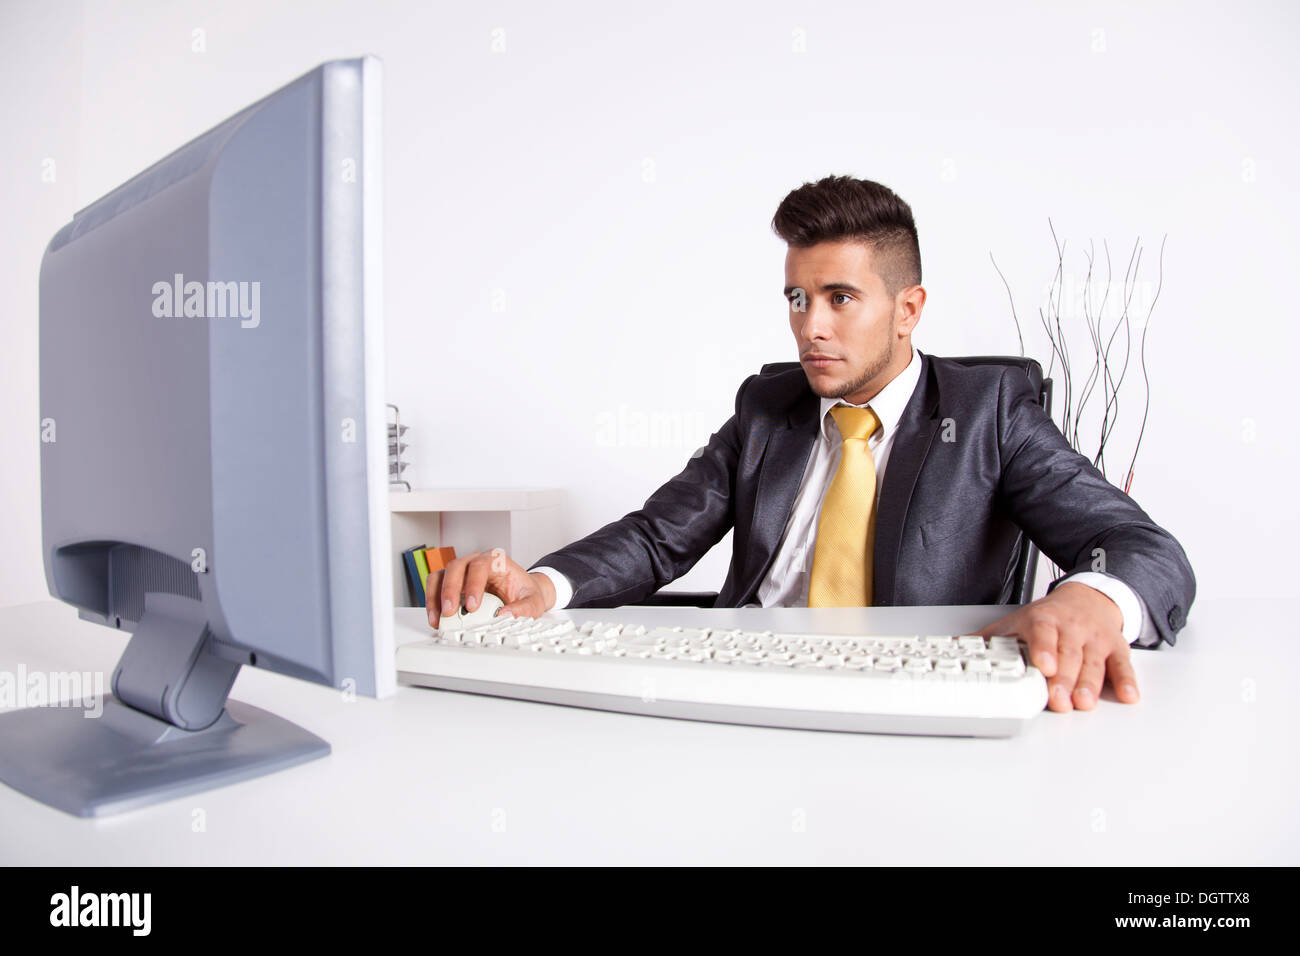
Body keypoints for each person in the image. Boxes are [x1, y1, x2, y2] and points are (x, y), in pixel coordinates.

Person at [427, 174, 1196, 715]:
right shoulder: (769, 408)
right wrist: (544, 585)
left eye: (840, 298)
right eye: (797, 298)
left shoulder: (987, 411)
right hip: (747, 690)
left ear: (908, 308)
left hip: (911, 704)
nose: (810, 326)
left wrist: (1092, 599)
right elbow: (658, 536)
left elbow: (1139, 546)